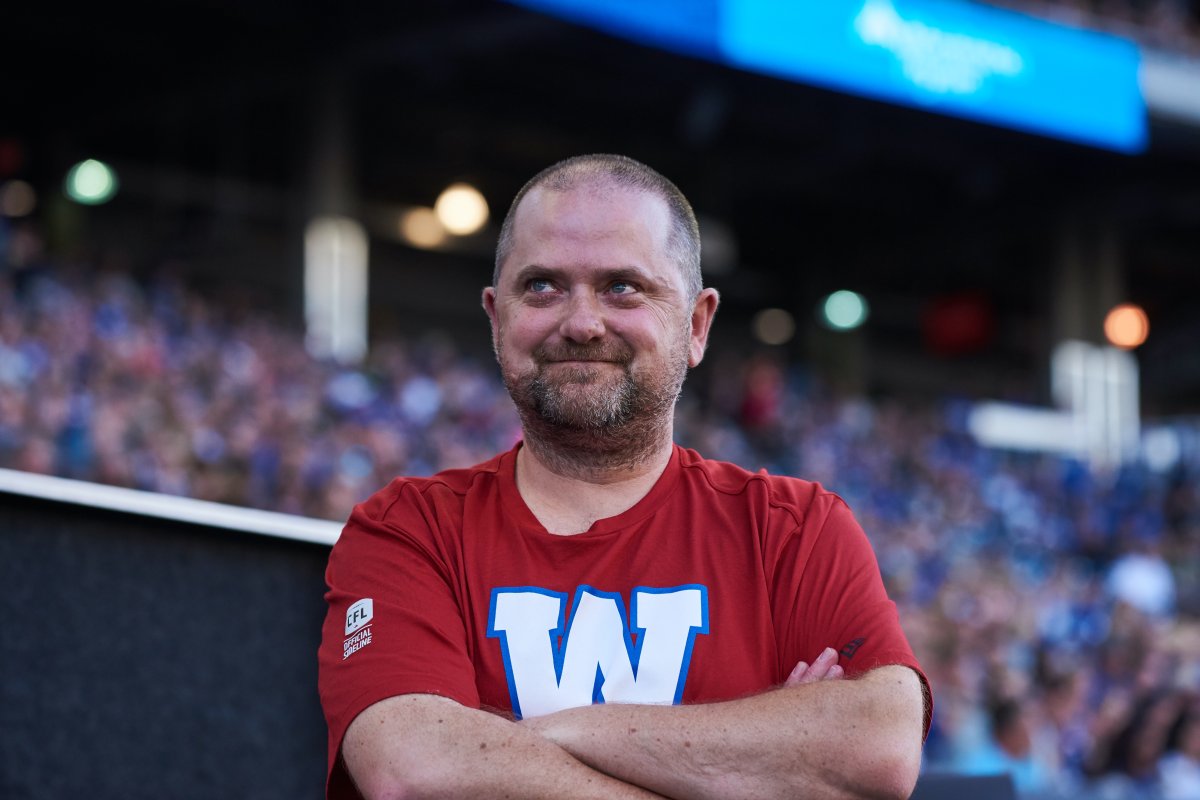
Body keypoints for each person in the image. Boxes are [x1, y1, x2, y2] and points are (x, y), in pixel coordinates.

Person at [318, 153, 931, 799]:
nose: (582, 323)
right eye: (543, 286)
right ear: (497, 320)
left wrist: (529, 738)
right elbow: (415, 772)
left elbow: (877, 744)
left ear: (696, 325)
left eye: (622, 287)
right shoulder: (407, 530)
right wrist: (762, 758)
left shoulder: (794, 529)